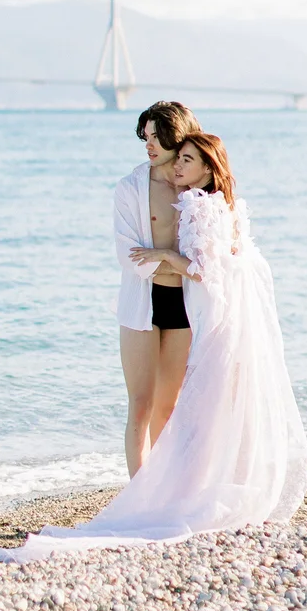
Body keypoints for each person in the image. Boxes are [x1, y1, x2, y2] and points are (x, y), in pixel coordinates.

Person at [0, 132, 307, 566]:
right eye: (177, 158)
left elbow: (204, 269)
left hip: (208, 320)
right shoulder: (223, 203)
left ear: (207, 167)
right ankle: (207, 491)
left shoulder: (200, 205)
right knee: (211, 412)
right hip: (220, 319)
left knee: (197, 413)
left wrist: (163, 254)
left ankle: (182, 497)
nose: (178, 165)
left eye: (187, 159)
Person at [113, 100, 202, 476]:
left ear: (176, 136)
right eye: (145, 137)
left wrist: (165, 256)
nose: (149, 145)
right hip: (142, 303)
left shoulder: (197, 187)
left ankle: (163, 486)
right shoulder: (130, 188)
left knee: (168, 406)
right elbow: (129, 256)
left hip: (183, 305)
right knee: (141, 404)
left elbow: (207, 263)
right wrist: (176, 263)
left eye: (157, 136)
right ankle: (138, 493)